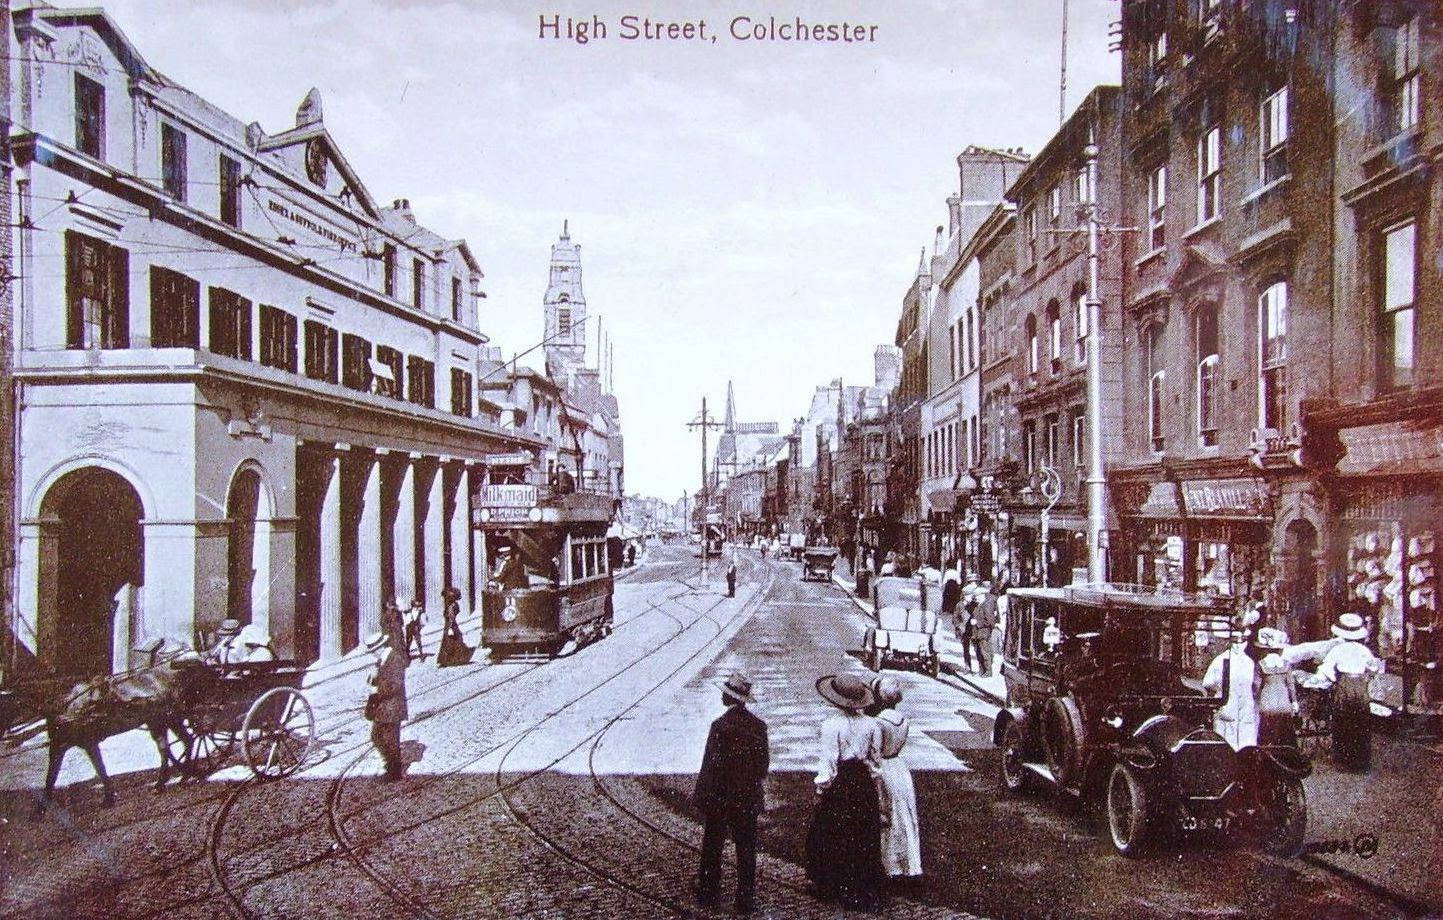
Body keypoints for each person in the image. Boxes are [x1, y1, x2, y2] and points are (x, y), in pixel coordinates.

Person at [806, 673, 885, 913]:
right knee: (862, 834)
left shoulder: (832, 725)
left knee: (832, 832)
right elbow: (875, 759)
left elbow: (829, 761)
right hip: (861, 780)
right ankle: (861, 888)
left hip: (842, 781)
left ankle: (831, 884)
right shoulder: (872, 724)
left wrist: (822, 788)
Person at [692, 672, 770, 914]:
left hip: (720, 797)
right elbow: (763, 764)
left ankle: (708, 889)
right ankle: (745, 897)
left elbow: (711, 765)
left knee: (713, 843)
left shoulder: (720, 727)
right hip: (747, 796)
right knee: (746, 847)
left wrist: (703, 797)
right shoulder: (758, 726)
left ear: (728, 697)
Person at [1308, 612, 1383, 771]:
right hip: (1360, 687)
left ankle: (1344, 761)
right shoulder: (1364, 650)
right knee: (1361, 721)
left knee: (1343, 721)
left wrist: (1322, 680)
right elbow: (1375, 668)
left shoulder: (1338, 650)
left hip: (1344, 685)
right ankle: (1361, 762)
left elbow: (1326, 670)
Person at [869, 677, 921, 885]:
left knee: (886, 816)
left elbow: (875, 752)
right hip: (900, 768)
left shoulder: (878, 723)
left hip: (885, 768)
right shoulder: (902, 719)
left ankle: (889, 866)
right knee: (905, 816)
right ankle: (909, 864)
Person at [363, 629, 408, 781]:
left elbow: (395, 684)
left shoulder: (394, 659)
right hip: (383, 707)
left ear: (380, 647)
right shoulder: (383, 659)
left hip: (393, 707)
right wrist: (374, 677)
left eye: (373, 651)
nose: (373, 654)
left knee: (390, 740)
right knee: (376, 736)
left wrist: (377, 688)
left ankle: (394, 772)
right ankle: (390, 765)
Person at [1203, 632, 1260, 750]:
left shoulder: (1249, 663)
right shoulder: (1220, 660)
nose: (1238, 646)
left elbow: (1254, 686)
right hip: (1227, 707)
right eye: (1235, 642)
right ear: (1230, 642)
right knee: (1226, 746)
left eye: (1242, 642)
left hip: (1245, 710)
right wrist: (1219, 689)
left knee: (1246, 746)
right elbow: (1207, 683)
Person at [1255, 627, 1298, 747]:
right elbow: (1291, 686)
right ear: (1280, 649)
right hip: (1284, 704)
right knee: (1285, 737)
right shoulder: (1286, 664)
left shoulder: (1261, 664)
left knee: (1266, 736)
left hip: (1267, 704)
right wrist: (1294, 702)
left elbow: (1256, 686)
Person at [437, 586, 473, 667]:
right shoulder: (454, 605)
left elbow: (451, 617)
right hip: (452, 624)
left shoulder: (451, 606)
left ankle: (448, 659)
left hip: (450, 624)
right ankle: (455, 658)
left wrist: (450, 628)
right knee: (455, 641)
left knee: (450, 642)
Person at [971, 583, 1000, 677]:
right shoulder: (979, 605)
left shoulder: (986, 606)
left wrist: (977, 623)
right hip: (977, 633)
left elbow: (990, 622)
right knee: (979, 651)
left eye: (977, 596)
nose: (975, 598)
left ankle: (988, 671)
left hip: (983, 632)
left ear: (982, 595)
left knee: (985, 652)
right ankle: (982, 670)